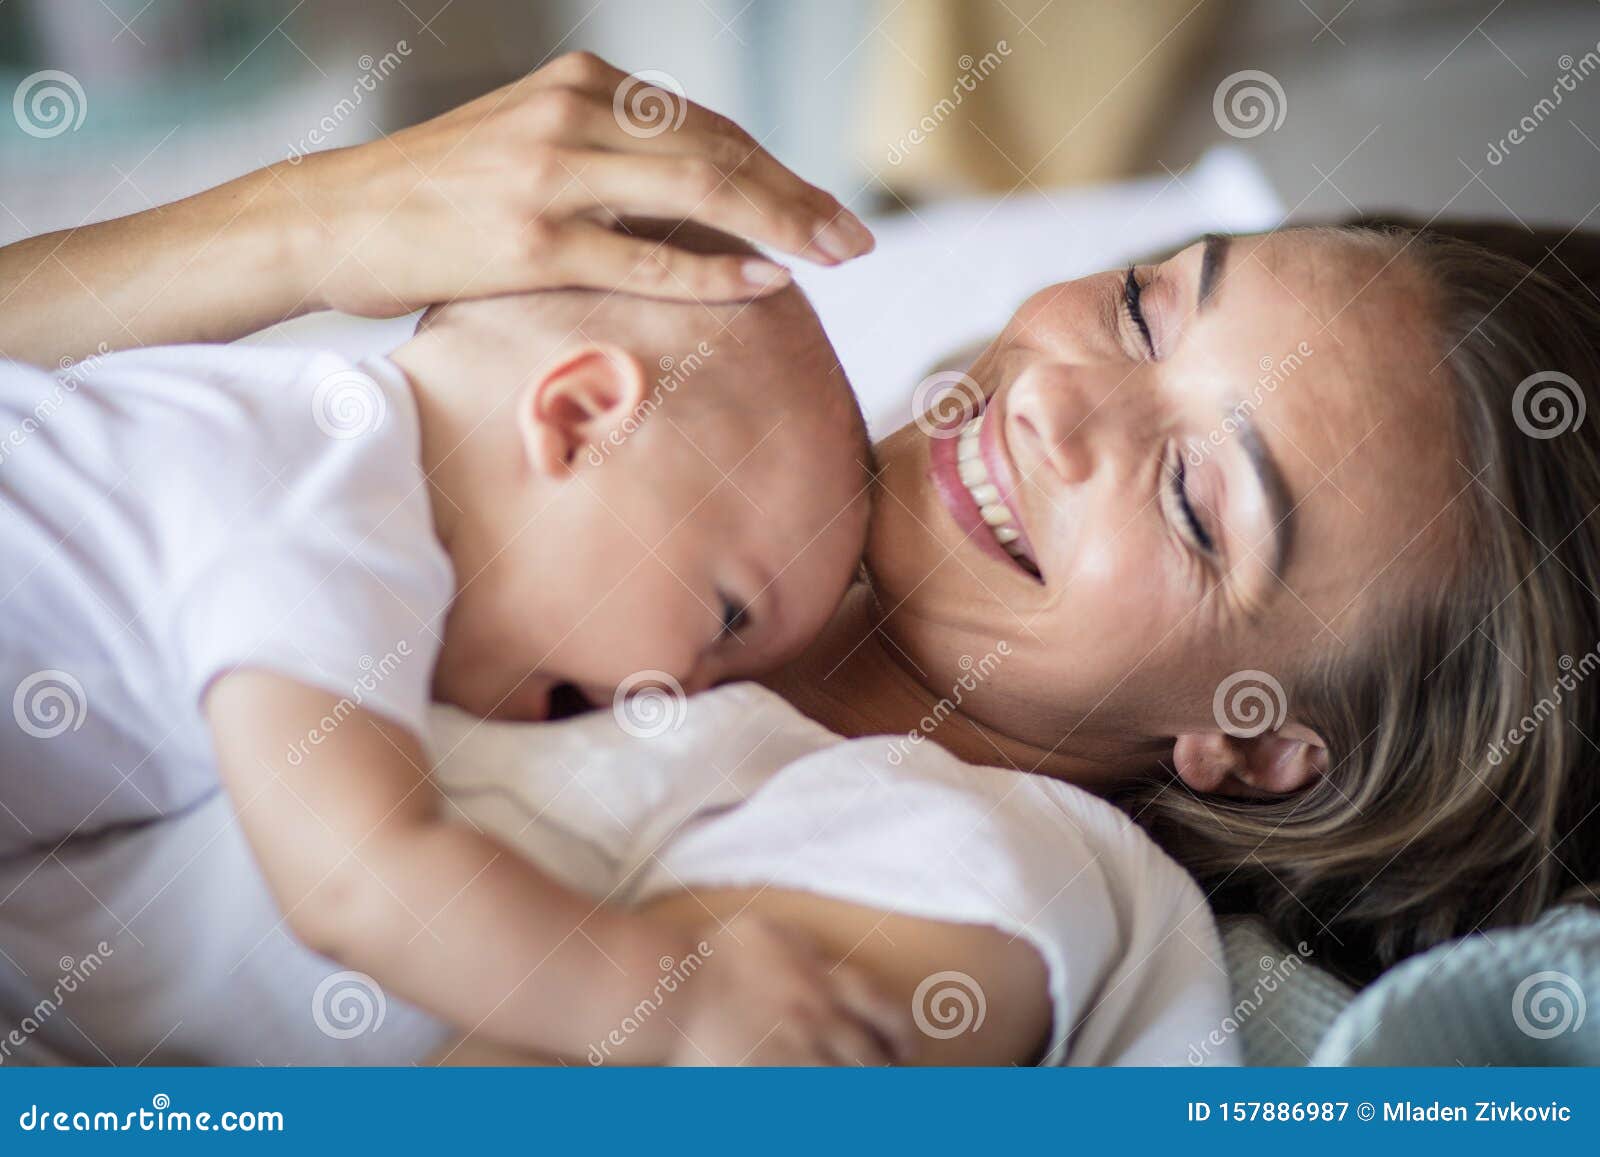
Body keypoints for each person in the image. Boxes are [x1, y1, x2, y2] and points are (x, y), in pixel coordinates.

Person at [6, 51, 1599, 1052]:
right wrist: (298, 228)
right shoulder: (645, 418)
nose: (1056, 401)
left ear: (1253, 749)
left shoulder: (970, 882)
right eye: (1138, 305)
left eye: (1196, 501)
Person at [0, 77, 898, 1061]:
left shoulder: (299, 439)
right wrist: (680, 1003)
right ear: (580, 418)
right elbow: (358, 878)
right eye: (728, 618)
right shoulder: (331, 510)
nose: (684, 697)